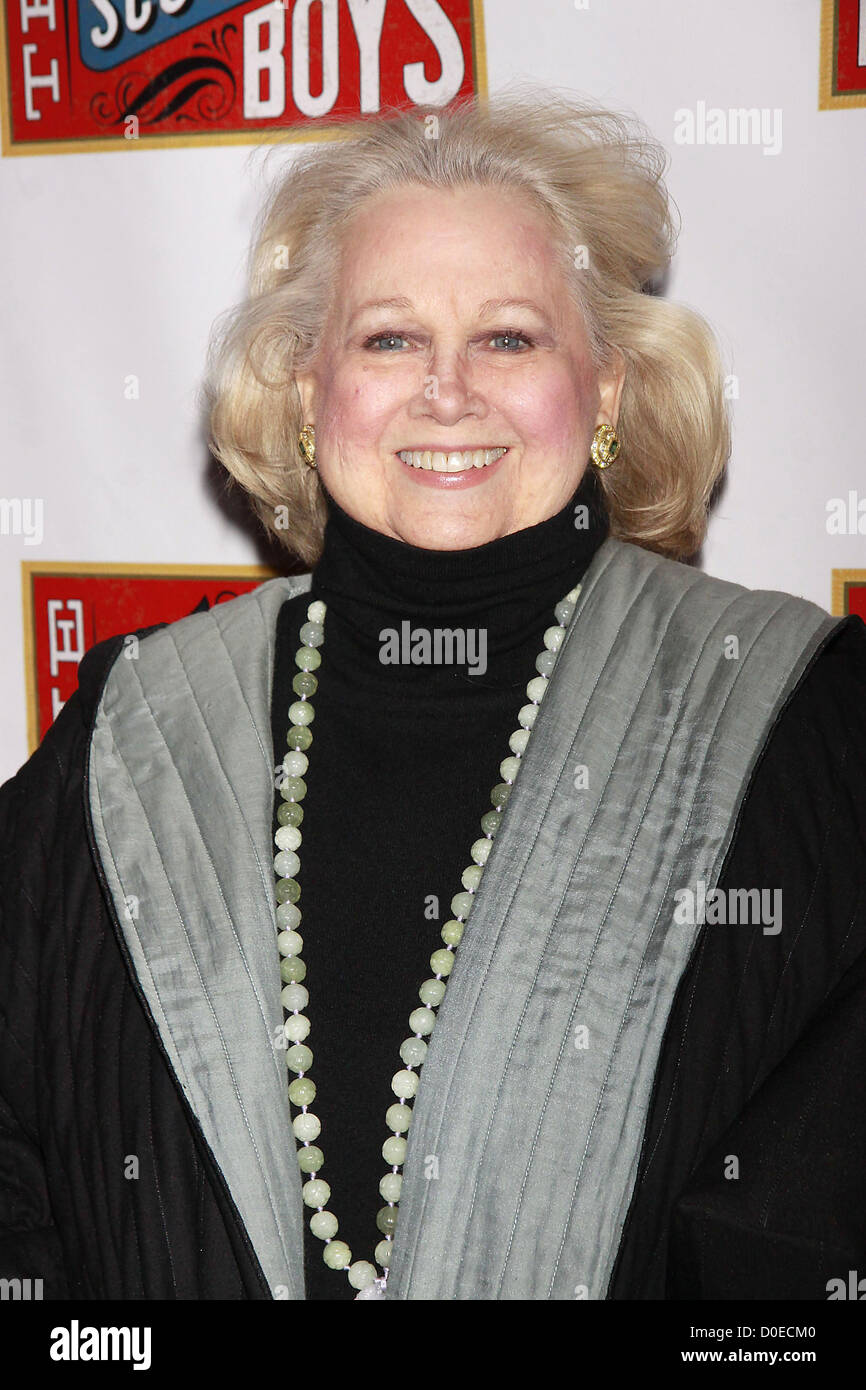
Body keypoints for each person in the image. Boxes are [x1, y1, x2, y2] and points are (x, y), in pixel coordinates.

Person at [1, 90, 864, 1302]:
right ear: (307, 393)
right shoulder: (131, 737)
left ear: (605, 392)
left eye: (507, 339)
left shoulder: (804, 723)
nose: (446, 391)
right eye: (388, 339)